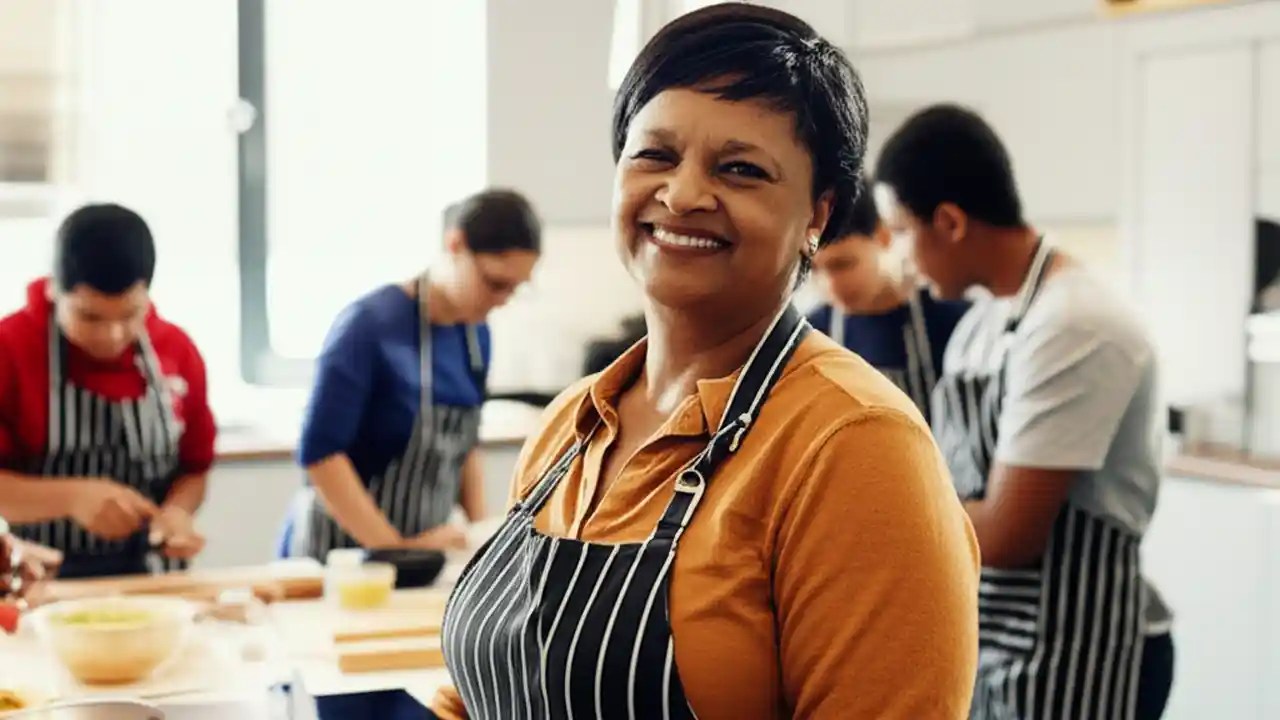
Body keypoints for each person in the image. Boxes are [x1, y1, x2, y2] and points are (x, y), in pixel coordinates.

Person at [431, 5, 980, 719]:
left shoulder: (856, 445)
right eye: (654, 156)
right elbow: (479, 693)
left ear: (817, 216)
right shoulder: (570, 426)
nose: (684, 194)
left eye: (741, 169)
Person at [874, 104, 1174, 720]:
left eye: (901, 231)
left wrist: (874, 521)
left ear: (950, 222)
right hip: (998, 643)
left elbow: (1009, 533)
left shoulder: (1074, 323)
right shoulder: (982, 325)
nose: (899, 258)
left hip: (1085, 652)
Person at [281, 189, 540, 719]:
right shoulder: (369, 326)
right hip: (350, 565)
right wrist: (394, 552)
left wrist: (480, 539)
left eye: (515, 289)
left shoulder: (476, 337)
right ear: (455, 245)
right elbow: (321, 455)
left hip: (421, 563)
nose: (501, 301)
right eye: (495, 283)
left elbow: (465, 442)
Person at [0, 204, 216, 579]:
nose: (112, 335)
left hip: (152, 581)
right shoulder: (11, 350)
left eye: (131, 314)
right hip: (38, 580)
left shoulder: (176, 350)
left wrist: (177, 513)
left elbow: (194, 470)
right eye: (90, 316)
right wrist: (71, 497)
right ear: (54, 290)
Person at [807, 189, 969, 421]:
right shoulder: (813, 335)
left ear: (882, 236)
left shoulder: (950, 317)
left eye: (843, 265)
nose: (831, 285)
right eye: (814, 269)